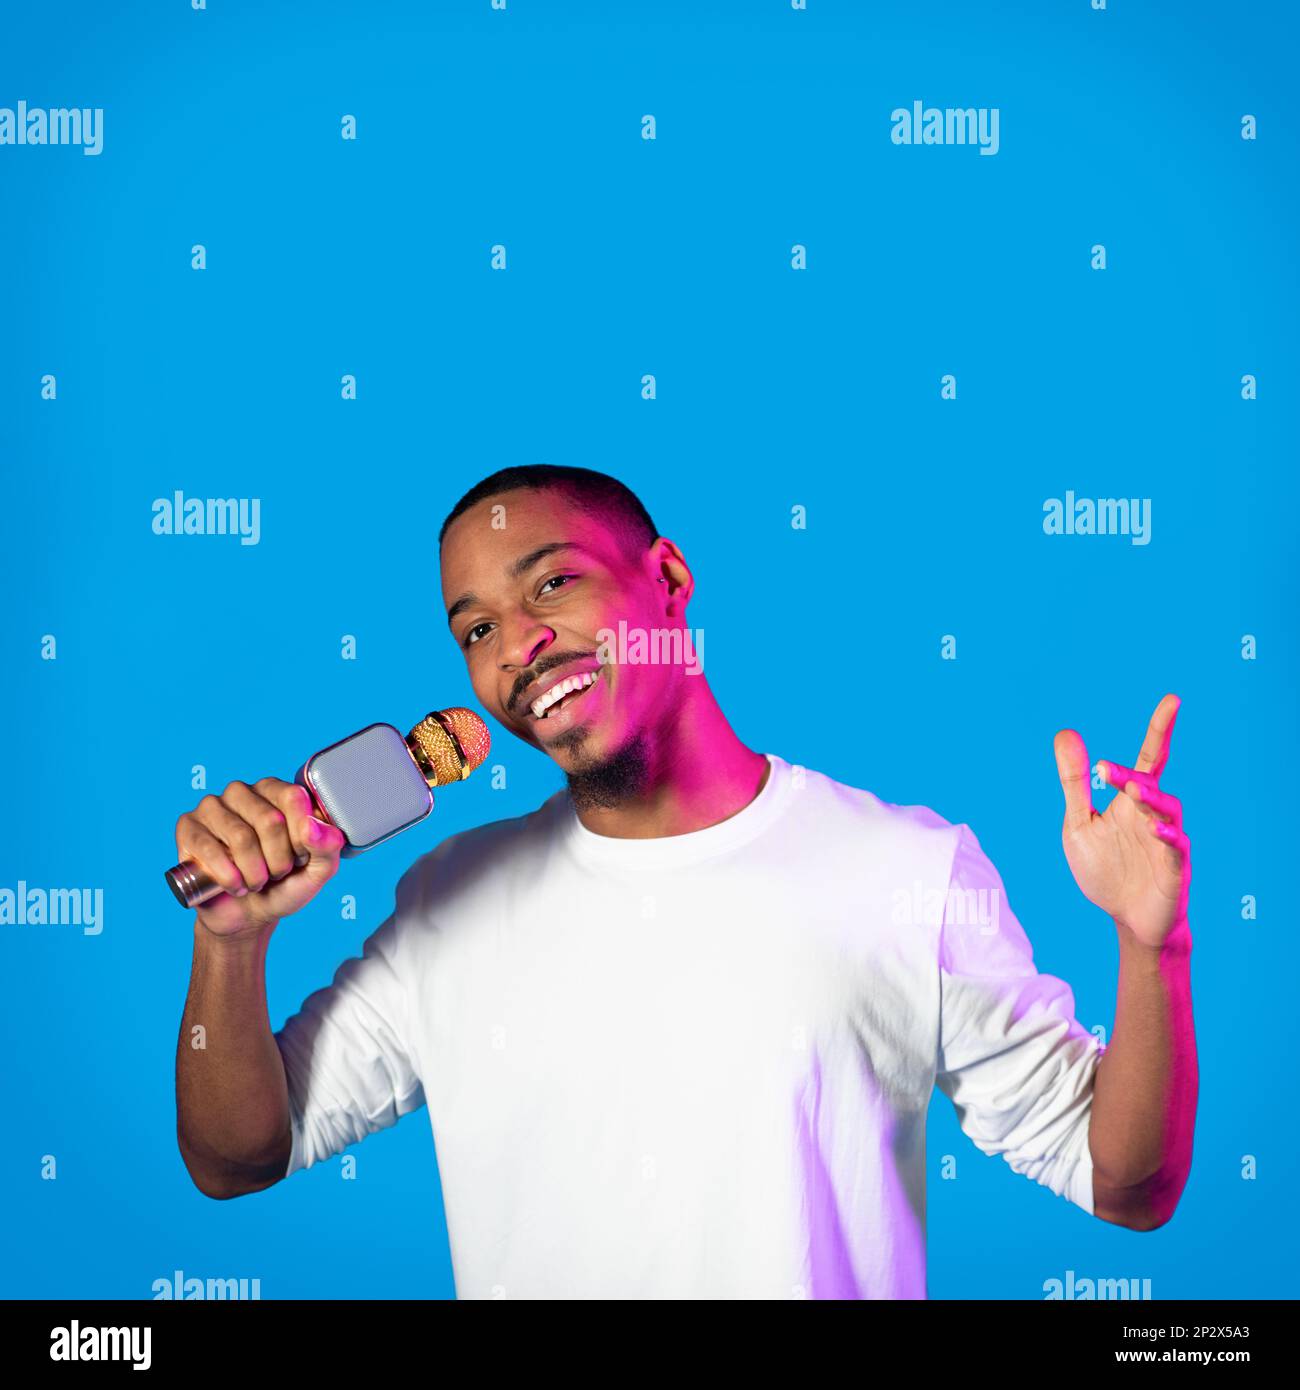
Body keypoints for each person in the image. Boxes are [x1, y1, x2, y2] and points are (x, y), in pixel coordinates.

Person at [173, 464, 1197, 1299]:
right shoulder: (446, 898)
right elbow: (235, 1159)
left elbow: (1127, 1183)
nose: (518, 646)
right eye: (476, 628)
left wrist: (1152, 951)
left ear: (666, 576)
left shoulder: (907, 870)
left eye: (553, 583)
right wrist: (229, 943)